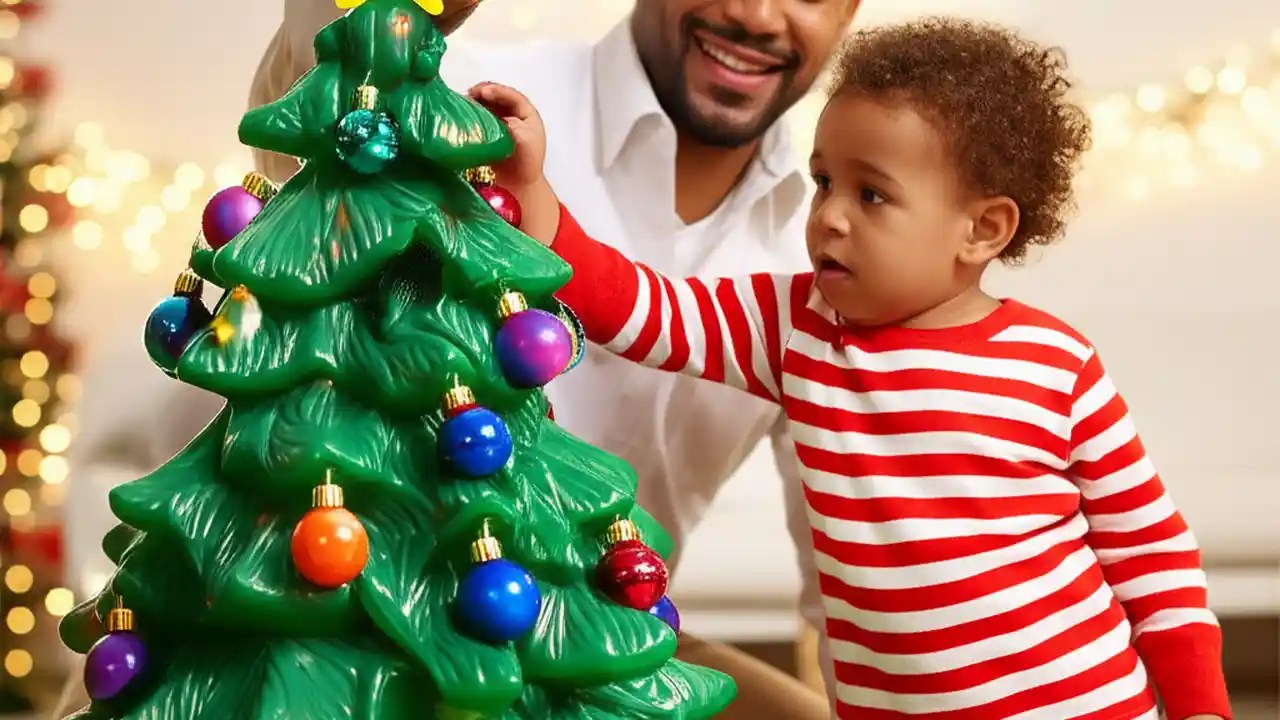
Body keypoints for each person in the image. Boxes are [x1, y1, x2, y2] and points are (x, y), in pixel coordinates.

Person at [60, 0, 860, 716]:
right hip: (279, 603)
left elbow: (862, 563)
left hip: (588, 631)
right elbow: (315, 84)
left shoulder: (844, 241)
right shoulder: (475, 96)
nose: (758, 13)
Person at [469, 17, 1233, 720]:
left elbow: (1153, 556)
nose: (829, 214)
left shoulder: (1055, 365)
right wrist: (533, 191)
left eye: (872, 194)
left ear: (983, 229)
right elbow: (637, 307)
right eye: (825, 180)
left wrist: (1202, 710)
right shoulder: (795, 328)